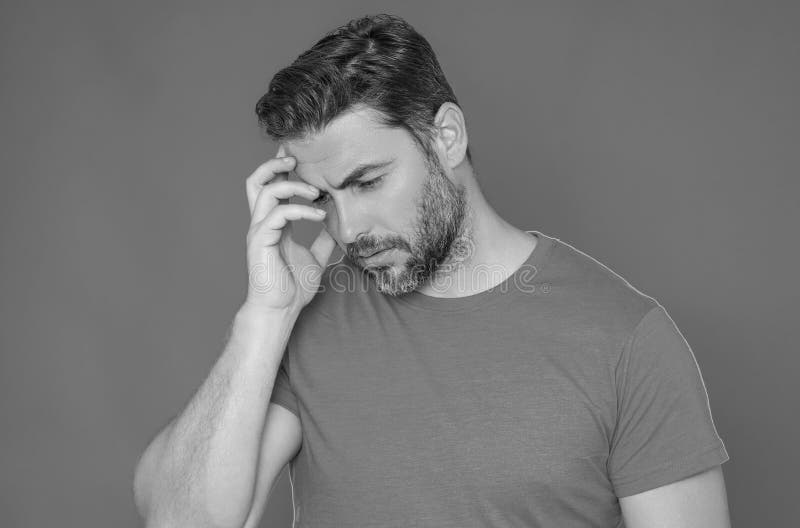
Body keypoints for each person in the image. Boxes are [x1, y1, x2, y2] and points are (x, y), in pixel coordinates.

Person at [133, 13, 732, 528]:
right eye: (323, 200)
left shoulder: (626, 341)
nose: (346, 230)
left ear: (445, 136)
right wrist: (264, 317)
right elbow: (179, 519)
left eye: (366, 182)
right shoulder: (308, 321)